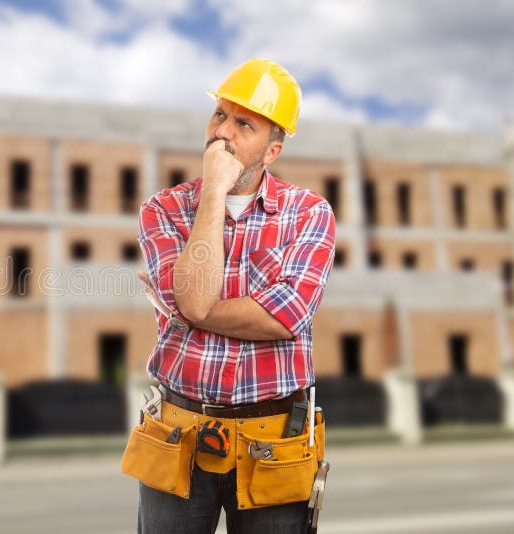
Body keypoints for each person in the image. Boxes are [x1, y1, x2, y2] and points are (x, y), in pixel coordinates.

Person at [131, 58, 336, 533]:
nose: (223, 131)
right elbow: (201, 301)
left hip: (275, 443)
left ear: (271, 151)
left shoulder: (309, 214)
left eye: (245, 123)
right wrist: (214, 194)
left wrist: (192, 310)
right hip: (176, 433)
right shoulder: (163, 209)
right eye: (220, 114)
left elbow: (285, 317)